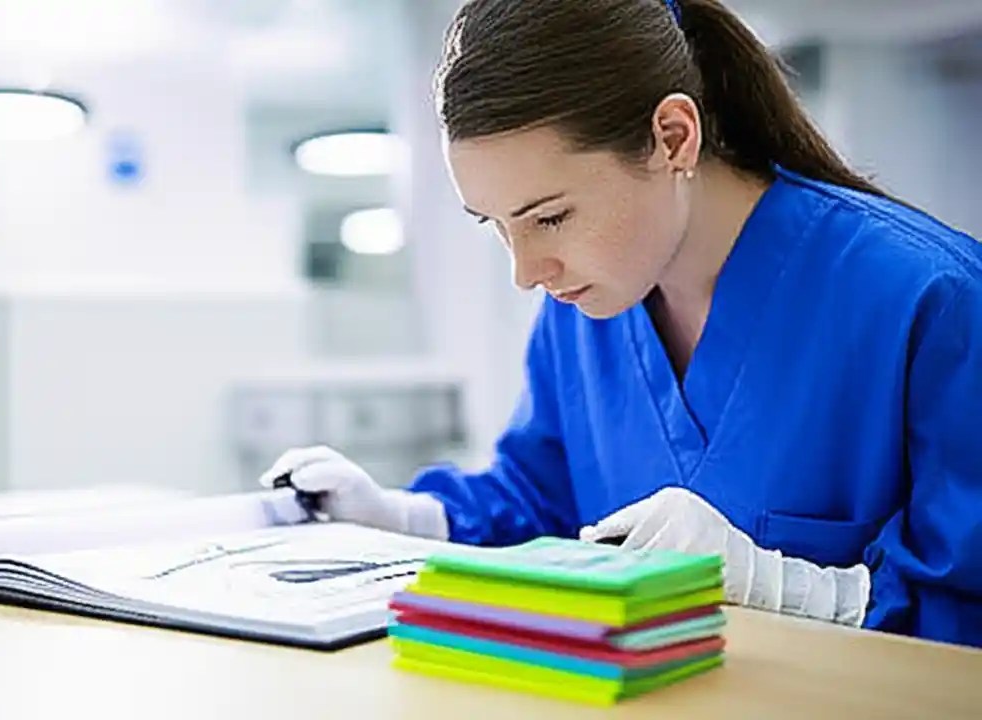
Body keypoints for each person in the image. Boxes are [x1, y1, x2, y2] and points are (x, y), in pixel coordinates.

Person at [260, 0, 982, 648]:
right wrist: (400, 516)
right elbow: (542, 501)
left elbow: (966, 605)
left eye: (550, 217)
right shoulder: (585, 308)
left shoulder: (932, 299)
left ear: (673, 137)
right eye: (498, 227)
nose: (527, 271)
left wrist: (783, 586)